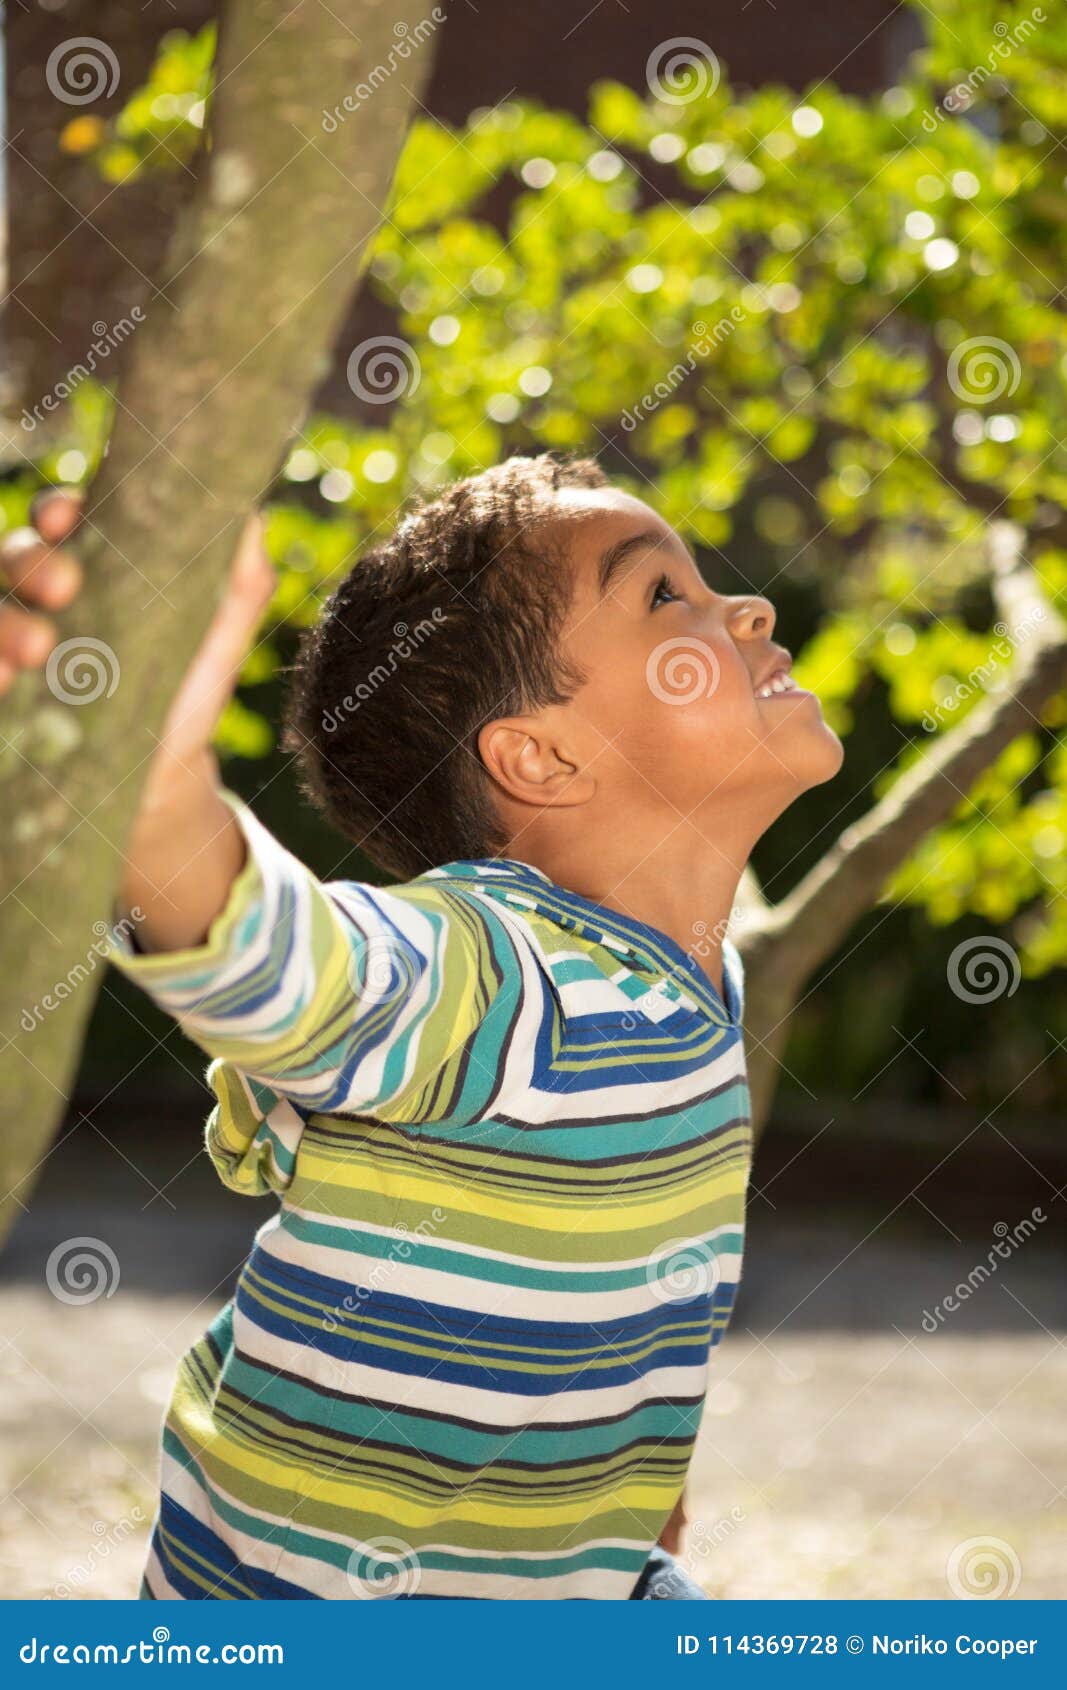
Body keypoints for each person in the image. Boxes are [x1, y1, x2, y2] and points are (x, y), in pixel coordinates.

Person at [1, 455, 843, 1599]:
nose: (744, 607)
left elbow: (622, 1300)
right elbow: (304, 975)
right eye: (662, 595)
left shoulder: (698, 984)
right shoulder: (504, 970)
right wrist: (151, 786)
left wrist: (641, 1509)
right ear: (540, 756)